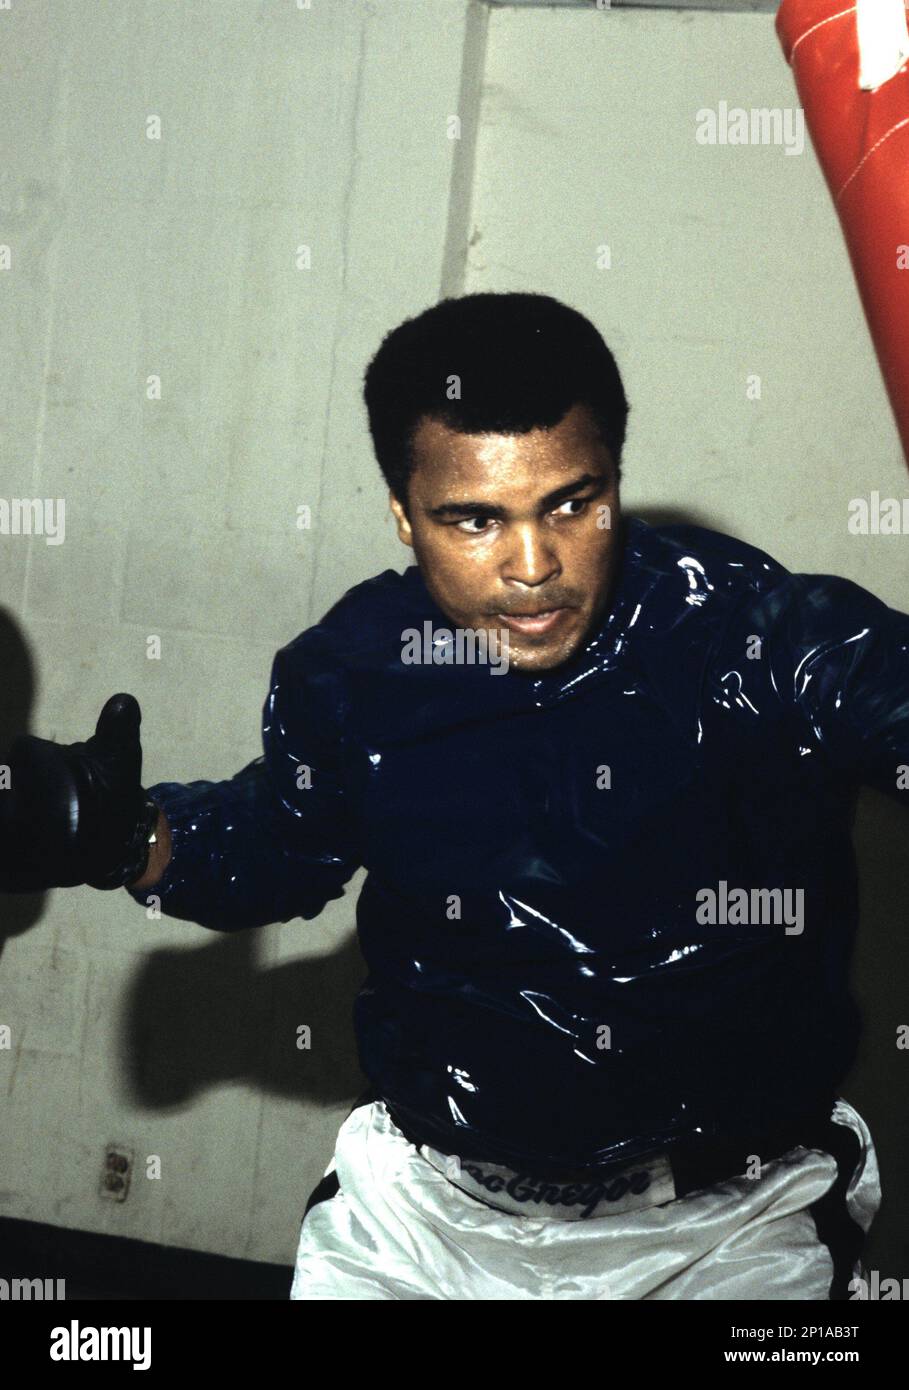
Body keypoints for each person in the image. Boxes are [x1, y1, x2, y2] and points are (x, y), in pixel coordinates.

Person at [1, 292, 905, 1300]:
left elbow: (878, 691)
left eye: (572, 501)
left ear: (616, 478)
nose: (533, 567)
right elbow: (277, 840)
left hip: (725, 1226)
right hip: (431, 1218)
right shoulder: (351, 672)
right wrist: (128, 834)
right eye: (475, 519)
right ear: (403, 510)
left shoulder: (757, 633)